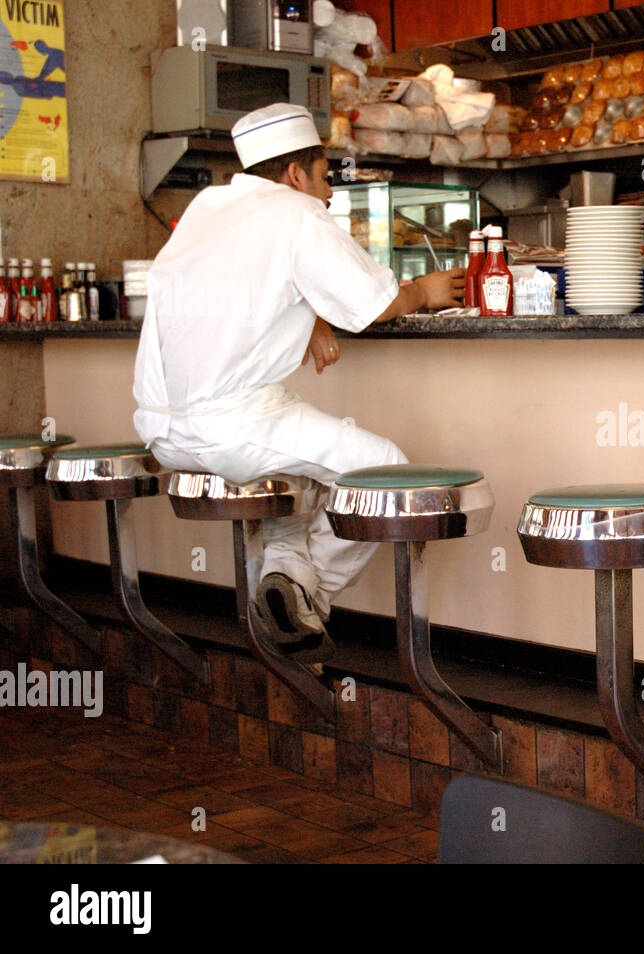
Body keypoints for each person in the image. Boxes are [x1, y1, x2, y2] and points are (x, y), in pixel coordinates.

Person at [133, 103, 465, 662]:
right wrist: (425, 291)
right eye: (325, 176)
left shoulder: (207, 207)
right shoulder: (297, 212)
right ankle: (311, 596)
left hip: (161, 428)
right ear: (295, 175)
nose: (330, 192)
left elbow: (245, 291)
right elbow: (375, 303)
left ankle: (284, 579)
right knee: (382, 470)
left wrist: (310, 316)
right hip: (229, 424)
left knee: (294, 470)